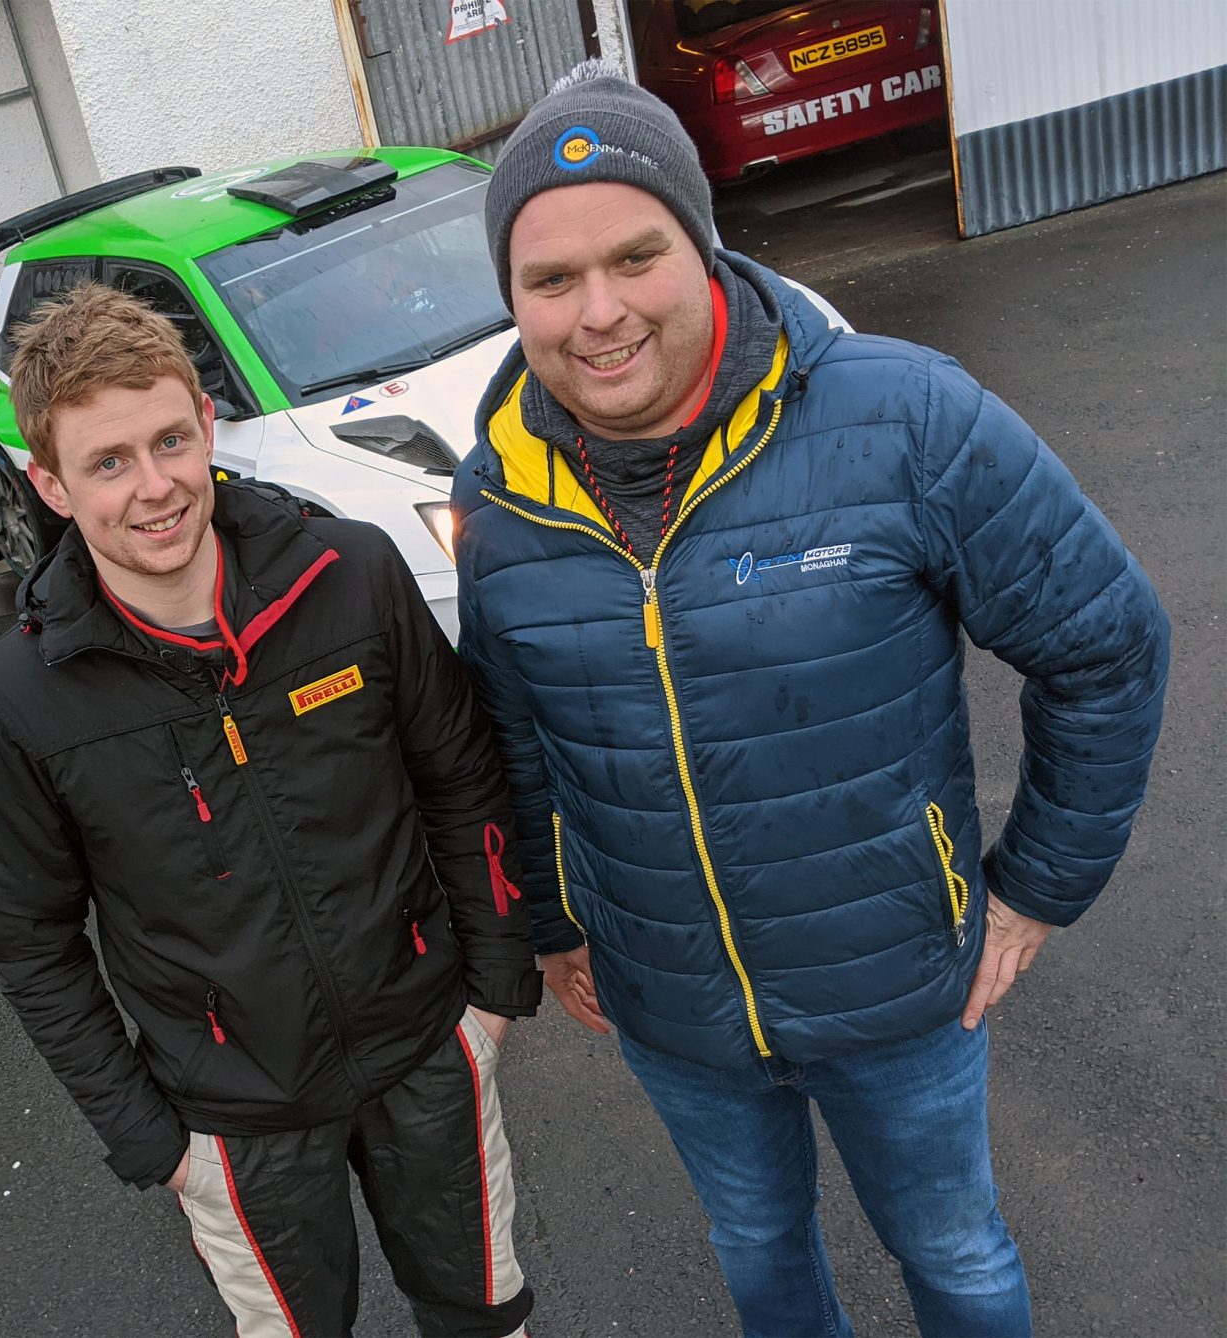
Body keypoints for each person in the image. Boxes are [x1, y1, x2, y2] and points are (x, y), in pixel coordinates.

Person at [452, 61, 1170, 1338]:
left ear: (704, 246)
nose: (596, 312)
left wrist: (1036, 885)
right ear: (510, 296)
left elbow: (1104, 644)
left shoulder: (899, 415)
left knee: (951, 1252)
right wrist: (556, 923)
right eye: (548, 280)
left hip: (897, 979)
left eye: (634, 257)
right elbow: (519, 732)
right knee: (756, 1246)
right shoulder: (496, 499)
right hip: (669, 1004)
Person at [0, 282, 541, 1336]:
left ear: (206, 424)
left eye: (169, 441)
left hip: (428, 1052)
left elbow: (461, 777)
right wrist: (151, 1140)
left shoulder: (351, 575)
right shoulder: (14, 701)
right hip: (229, 1122)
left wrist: (490, 995)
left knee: (480, 1321)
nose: (155, 488)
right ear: (47, 483)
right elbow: (29, 941)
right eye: (107, 462)